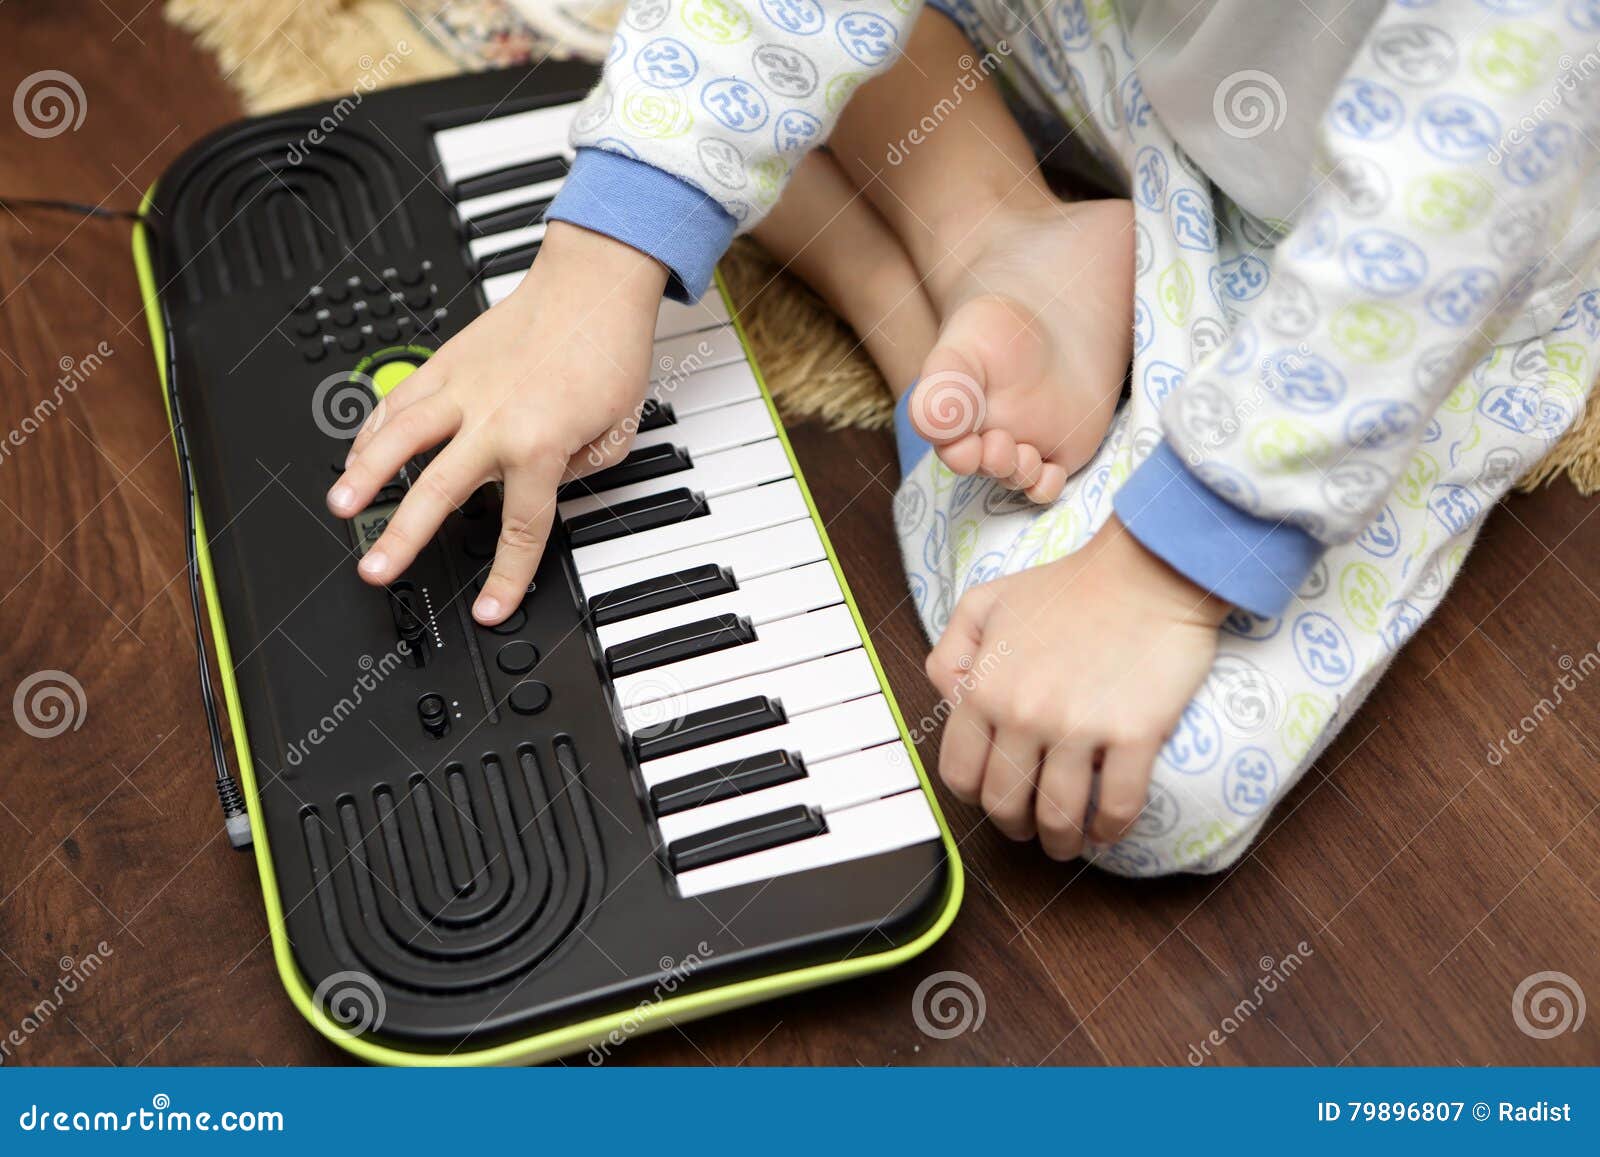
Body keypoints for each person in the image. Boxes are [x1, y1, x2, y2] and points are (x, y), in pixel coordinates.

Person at [327, 1, 1600, 874]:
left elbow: (1448, 208)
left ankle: (917, 287)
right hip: (1106, 40)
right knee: (702, 82)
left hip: (1403, 262)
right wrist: (591, 272)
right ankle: (1003, 238)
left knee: (1136, 778)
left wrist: (1157, 575)